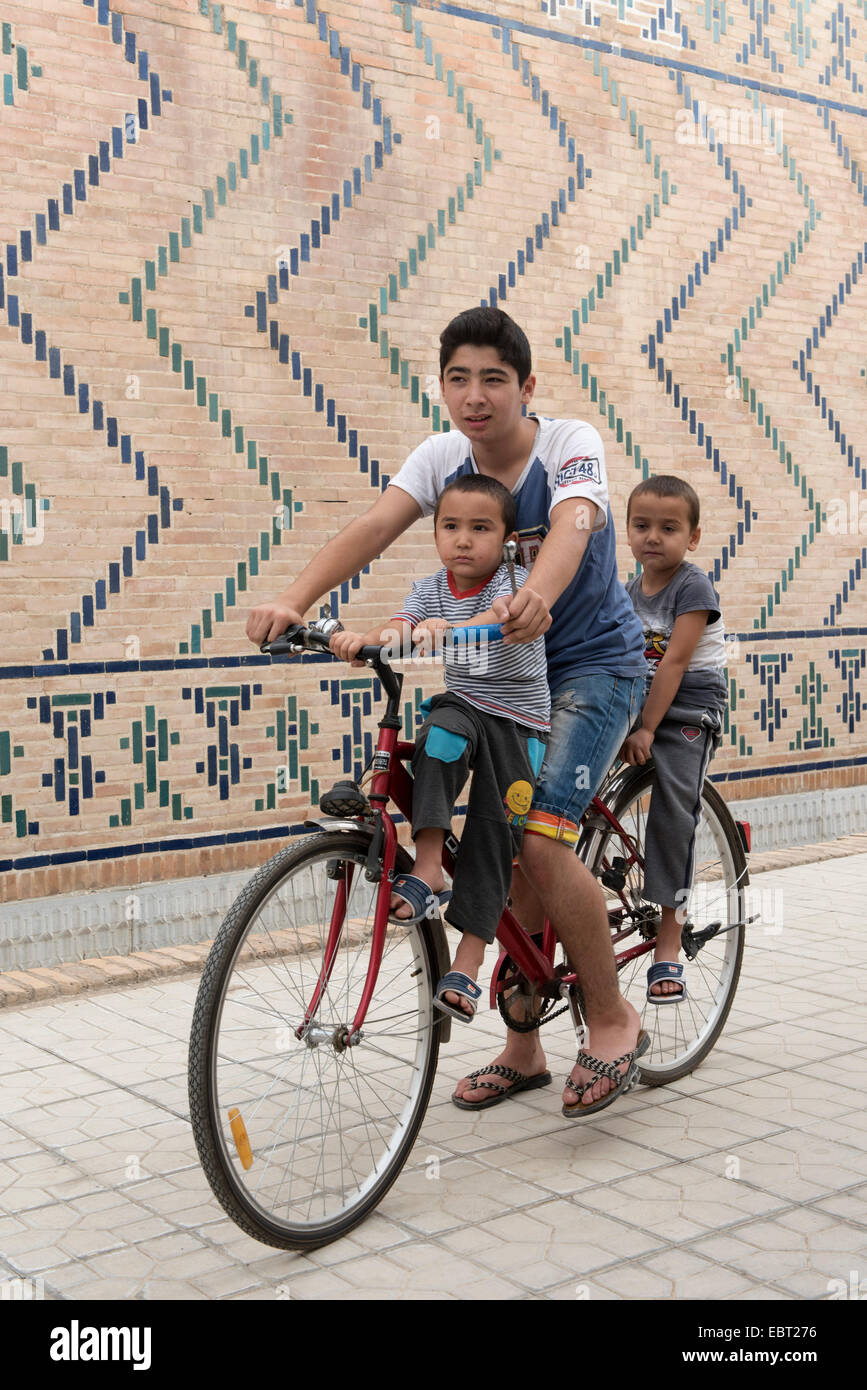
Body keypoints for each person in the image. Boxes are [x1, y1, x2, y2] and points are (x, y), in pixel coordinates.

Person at [247, 306, 649, 1117]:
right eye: (458, 379)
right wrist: (295, 599)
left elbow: (574, 524)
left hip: (586, 668)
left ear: (525, 388)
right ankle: (523, 1048)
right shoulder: (441, 458)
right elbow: (373, 526)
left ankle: (610, 1020)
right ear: (441, 387)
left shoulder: (568, 443)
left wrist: (535, 592)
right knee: (496, 844)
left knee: (539, 840)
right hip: (497, 674)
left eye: (493, 379)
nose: (474, 396)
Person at [329, 473, 550, 1024]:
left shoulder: (512, 583)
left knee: (492, 833)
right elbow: (402, 623)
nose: (463, 539)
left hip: (520, 723)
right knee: (440, 733)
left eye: (480, 528)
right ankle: (428, 866)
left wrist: (446, 630)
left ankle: (469, 962)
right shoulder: (430, 588)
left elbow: (492, 620)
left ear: (504, 540)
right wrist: (366, 640)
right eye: (450, 526)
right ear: (434, 533)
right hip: (467, 707)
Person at [620, 475, 728, 1003]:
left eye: (669, 527)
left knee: (672, 809)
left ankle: (669, 939)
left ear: (694, 536)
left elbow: (676, 662)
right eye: (642, 525)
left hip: (688, 705)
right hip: (642, 701)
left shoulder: (693, 587)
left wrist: (644, 727)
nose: (653, 537)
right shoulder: (626, 592)